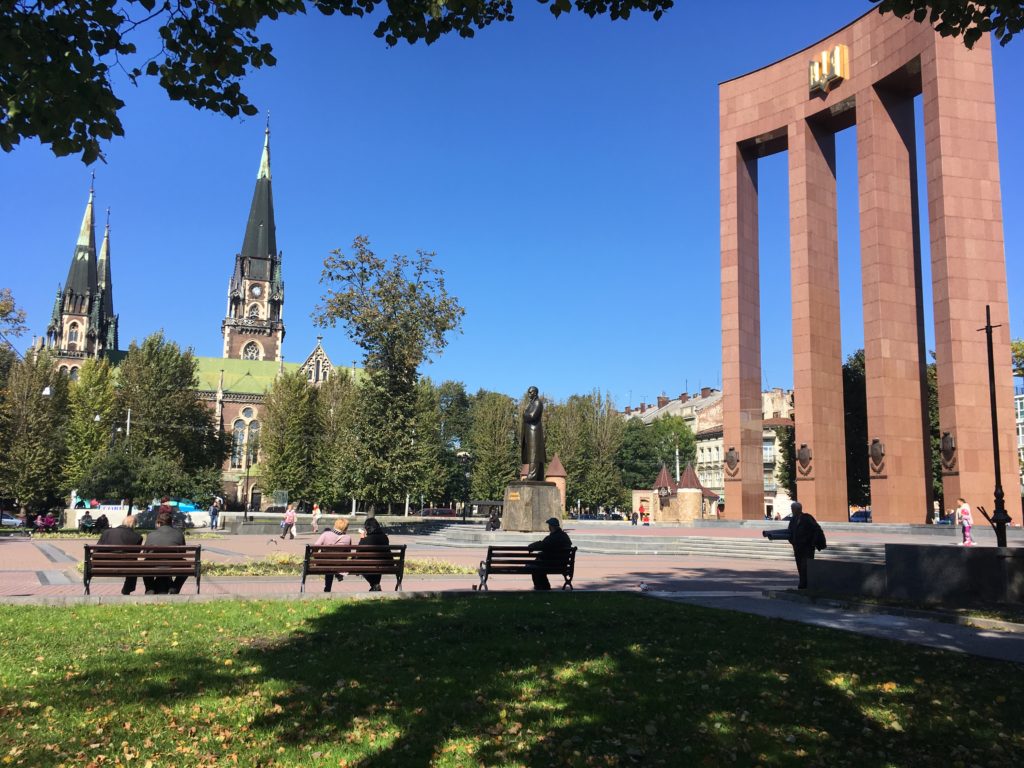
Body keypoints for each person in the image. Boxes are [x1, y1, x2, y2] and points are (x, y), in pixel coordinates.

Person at [144, 509, 189, 594]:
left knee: (145, 563)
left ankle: (149, 588)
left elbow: (145, 553)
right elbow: (183, 553)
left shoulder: (151, 535)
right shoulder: (179, 534)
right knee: (187, 565)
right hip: (173, 564)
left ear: (158, 523)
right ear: (171, 522)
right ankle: (175, 588)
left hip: (153, 565)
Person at [97, 514, 144, 595]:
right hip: (126, 566)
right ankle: (127, 589)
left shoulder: (107, 532)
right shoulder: (137, 537)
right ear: (134, 524)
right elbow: (135, 554)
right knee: (134, 564)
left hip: (104, 565)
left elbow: (97, 549)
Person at [526, 517, 573, 591]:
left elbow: (542, 544)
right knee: (537, 564)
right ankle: (545, 586)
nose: (549, 527)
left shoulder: (552, 538)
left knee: (534, 567)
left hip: (553, 564)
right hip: (562, 564)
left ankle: (541, 587)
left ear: (551, 526)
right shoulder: (564, 536)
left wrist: (531, 546)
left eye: (549, 526)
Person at [787, 501, 825, 589]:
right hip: (797, 548)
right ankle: (802, 583)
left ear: (797, 509)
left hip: (807, 548)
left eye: (792, 509)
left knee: (806, 566)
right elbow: (790, 531)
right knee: (800, 566)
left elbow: (816, 530)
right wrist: (792, 541)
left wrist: (812, 543)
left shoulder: (807, 518)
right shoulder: (793, 519)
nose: (792, 510)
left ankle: (805, 585)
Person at [314, 518, 353, 592]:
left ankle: (327, 588)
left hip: (324, 563)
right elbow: (348, 553)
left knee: (329, 564)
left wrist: (317, 557)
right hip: (339, 564)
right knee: (333, 563)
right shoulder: (348, 538)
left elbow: (315, 547)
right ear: (345, 527)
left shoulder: (326, 534)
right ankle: (336, 573)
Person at [520, 386, 547, 481]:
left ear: (535, 393)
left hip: (534, 431)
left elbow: (532, 415)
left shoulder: (537, 403)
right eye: (528, 392)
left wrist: (524, 414)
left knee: (534, 453)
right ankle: (539, 476)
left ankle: (532, 475)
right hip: (530, 431)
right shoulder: (531, 403)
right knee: (534, 453)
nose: (529, 394)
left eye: (530, 392)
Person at [358, 517, 389, 592]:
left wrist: (362, 538)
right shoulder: (385, 537)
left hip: (370, 565)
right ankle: (375, 586)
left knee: (361, 563)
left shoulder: (366, 540)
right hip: (385, 564)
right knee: (377, 564)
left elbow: (358, 552)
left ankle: (375, 585)